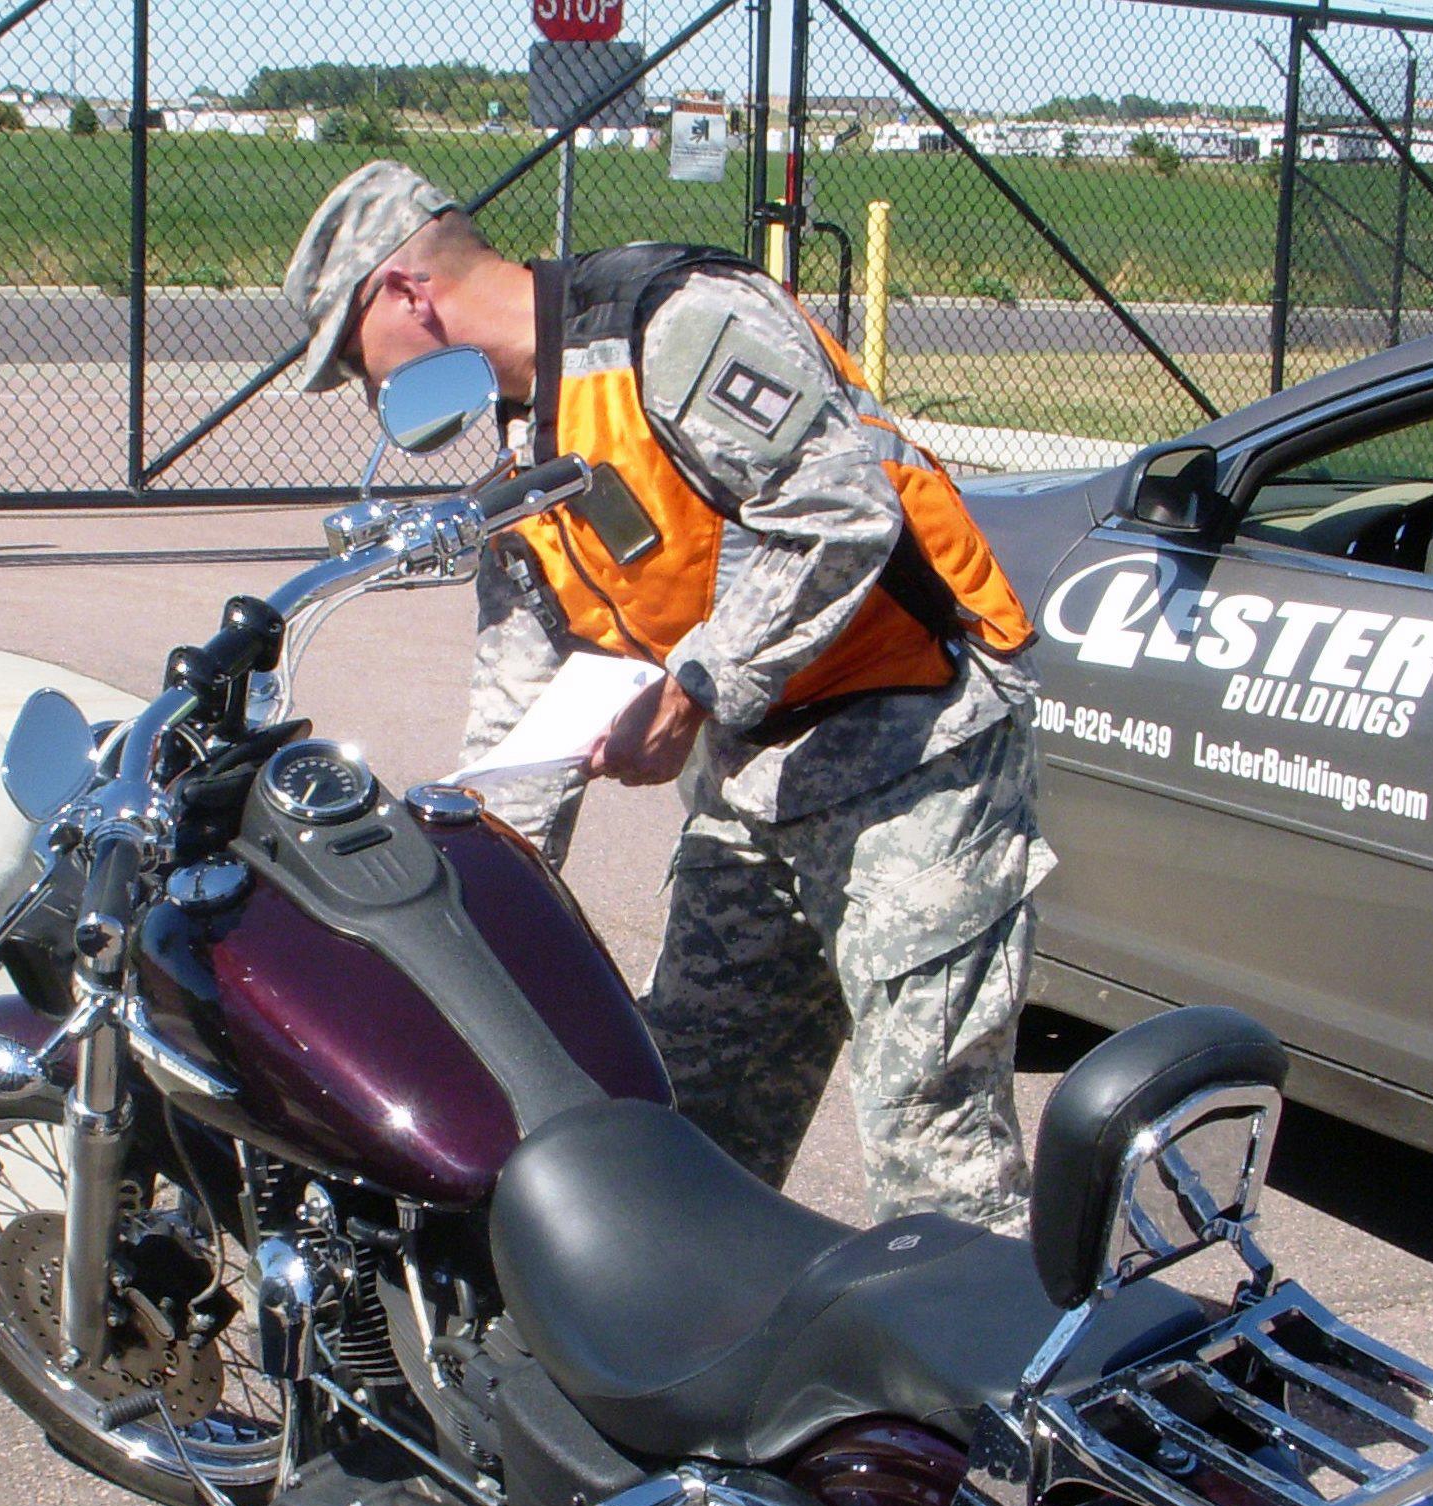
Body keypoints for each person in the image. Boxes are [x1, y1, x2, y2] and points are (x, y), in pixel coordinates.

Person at [284, 162, 1055, 1229]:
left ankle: (988, 1340)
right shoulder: (526, 437)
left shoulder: (672, 326)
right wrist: (460, 904)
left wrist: (694, 689)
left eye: (354, 358)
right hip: (759, 774)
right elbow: (519, 703)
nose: (369, 393)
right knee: (685, 1132)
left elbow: (840, 513)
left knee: (936, 1159)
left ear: (406, 293)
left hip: (919, 751)